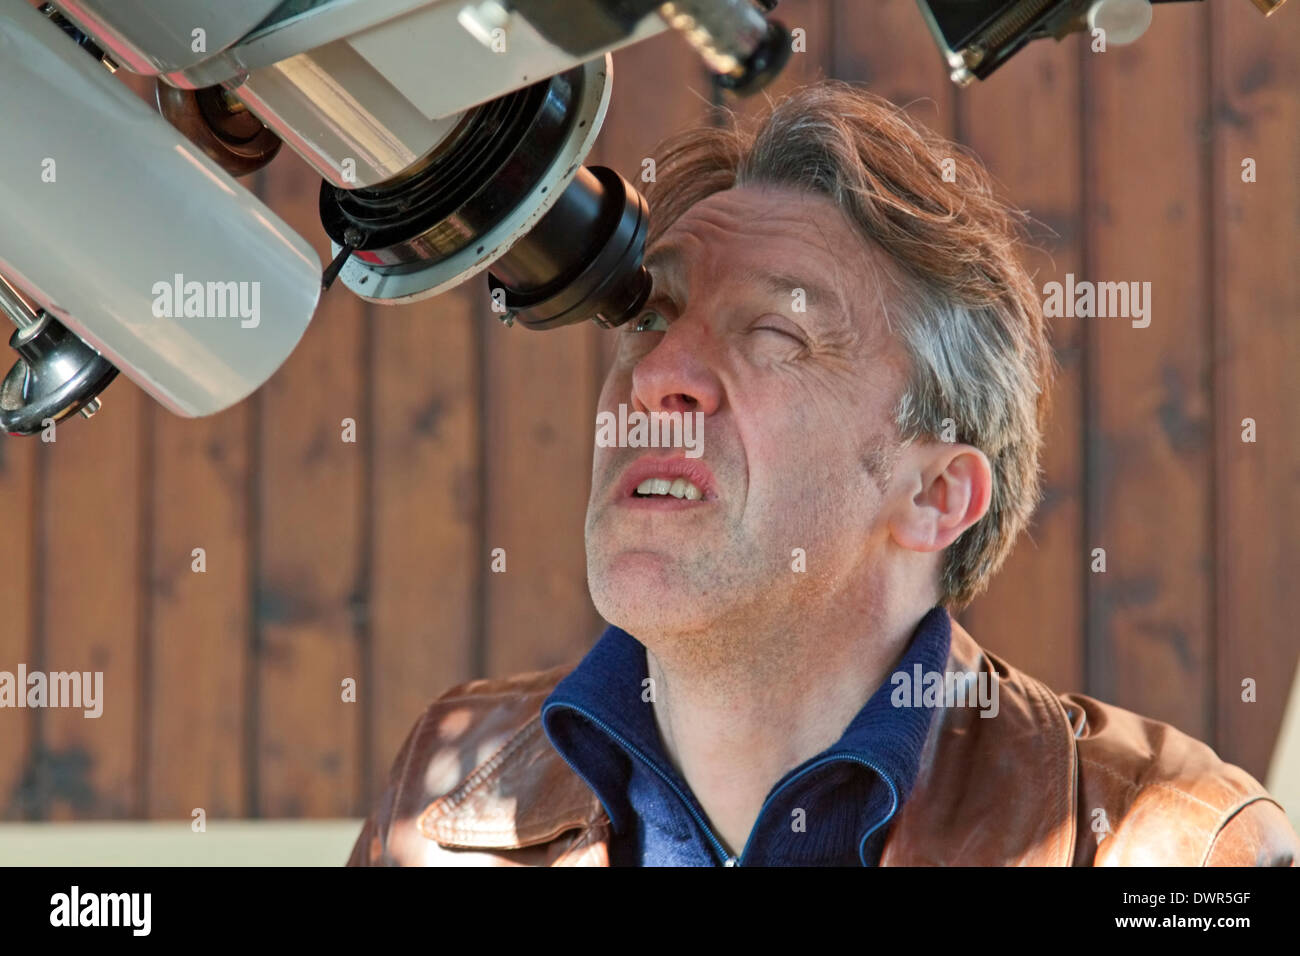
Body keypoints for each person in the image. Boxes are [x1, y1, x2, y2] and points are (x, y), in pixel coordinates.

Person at [347, 80, 1298, 867]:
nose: (656, 376)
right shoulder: (444, 801)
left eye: (775, 335)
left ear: (934, 497)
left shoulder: (1179, 848)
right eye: (647, 318)